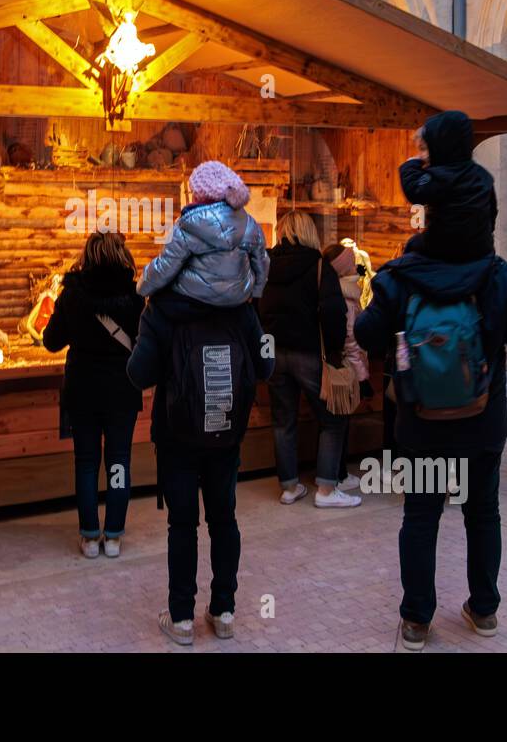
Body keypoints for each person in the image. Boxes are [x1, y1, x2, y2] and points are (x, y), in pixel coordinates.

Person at [354, 246, 507, 652]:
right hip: (483, 423)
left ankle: (416, 621)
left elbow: (365, 334)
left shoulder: (405, 272)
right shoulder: (495, 273)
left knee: (422, 517)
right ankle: (484, 610)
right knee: (482, 514)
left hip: (425, 430)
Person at [128, 287, 273, 646]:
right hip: (225, 433)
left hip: (176, 435)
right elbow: (266, 364)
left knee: (182, 524)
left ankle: (181, 619)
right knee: (224, 519)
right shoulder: (239, 305)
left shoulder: (162, 308)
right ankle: (224, 611)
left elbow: (138, 373)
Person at [43, 231, 145, 558]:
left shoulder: (72, 295)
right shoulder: (135, 297)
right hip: (122, 389)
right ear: (121, 255)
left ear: (87, 255)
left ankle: (89, 537)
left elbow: (51, 341)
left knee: (86, 463)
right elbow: (144, 341)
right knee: (118, 462)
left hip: (82, 389)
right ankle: (113, 536)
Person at [256, 213, 358, 508]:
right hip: (309, 353)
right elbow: (332, 312)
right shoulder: (318, 266)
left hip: (274, 353)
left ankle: (289, 487)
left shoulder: (266, 264)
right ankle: (326, 490)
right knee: (332, 420)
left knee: (282, 420)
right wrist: (336, 351)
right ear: (308, 231)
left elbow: (255, 307)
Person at [137, 160, 268, 306]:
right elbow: (261, 262)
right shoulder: (250, 224)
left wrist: (142, 287)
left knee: (153, 313)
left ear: (198, 195)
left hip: (193, 300)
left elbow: (165, 267)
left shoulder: (186, 225)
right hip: (238, 299)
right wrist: (256, 294)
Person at [399, 110, 497, 262]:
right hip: (480, 249)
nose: (423, 156)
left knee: (411, 247)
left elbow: (414, 191)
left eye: (425, 149)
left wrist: (410, 165)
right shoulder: (481, 174)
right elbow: (492, 212)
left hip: (444, 247)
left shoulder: (441, 176)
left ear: (442, 146)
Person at [324, 241, 374, 492]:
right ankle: (338, 474)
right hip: (346, 369)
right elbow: (352, 341)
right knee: (340, 423)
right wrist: (364, 378)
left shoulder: (336, 291)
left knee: (337, 422)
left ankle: (337, 473)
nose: (355, 263)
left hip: (339, 364)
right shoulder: (347, 297)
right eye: (350, 260)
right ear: (343, 268)